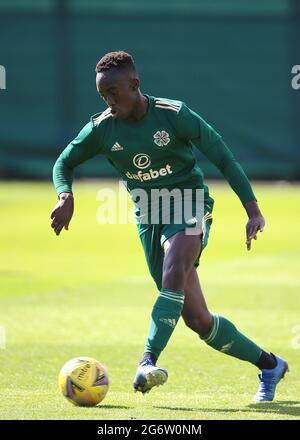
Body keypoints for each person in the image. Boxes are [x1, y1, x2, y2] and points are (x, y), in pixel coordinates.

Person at [51, 51, 288, 402]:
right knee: (198, 320)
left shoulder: (174, 115)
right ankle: (270, 365)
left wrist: (252, 210)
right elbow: (64, 162)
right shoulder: (103, 128)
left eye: (114, 93)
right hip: (149, 215)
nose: (109, 102)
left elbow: (223, 156)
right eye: (103, 96)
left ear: (135, 85)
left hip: (189, 203)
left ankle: (147, 361)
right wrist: (64, 194)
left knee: (174, 269)